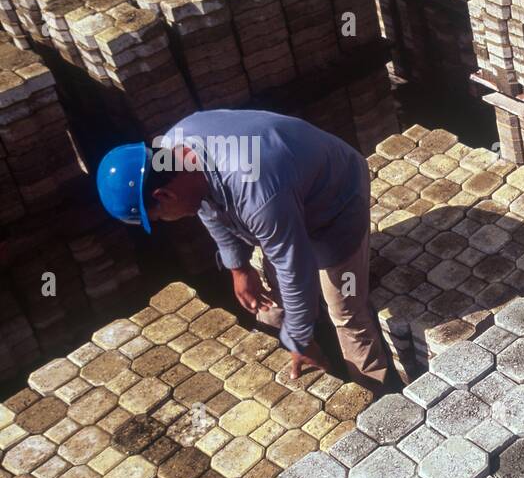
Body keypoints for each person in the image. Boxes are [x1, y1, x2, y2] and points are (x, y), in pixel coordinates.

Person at [96, 109, 390, 392]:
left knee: (345, 310)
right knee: (279, 300)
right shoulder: (175, 149)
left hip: (336, 201)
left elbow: (295, 268)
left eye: (160, 216)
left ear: (164, 195)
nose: (169, 222)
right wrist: (238, 265)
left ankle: (374, 394)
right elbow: (205, 204)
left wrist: (299, 340)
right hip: (286, 197)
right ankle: (306, 335)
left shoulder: (257, 194)